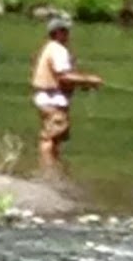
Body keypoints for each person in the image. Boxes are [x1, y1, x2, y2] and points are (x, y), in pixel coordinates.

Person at [31, 16, 103, 164]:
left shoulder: (49, 47)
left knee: (55, 137)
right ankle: (48, 172)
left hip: (47, 98)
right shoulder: (58, 50)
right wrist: (89, 80)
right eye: (64, 31)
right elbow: (63, 76)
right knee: (51, 137)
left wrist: (81, 84)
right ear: (57, 33)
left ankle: (52, 168)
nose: (68, 34)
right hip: (52, 99)